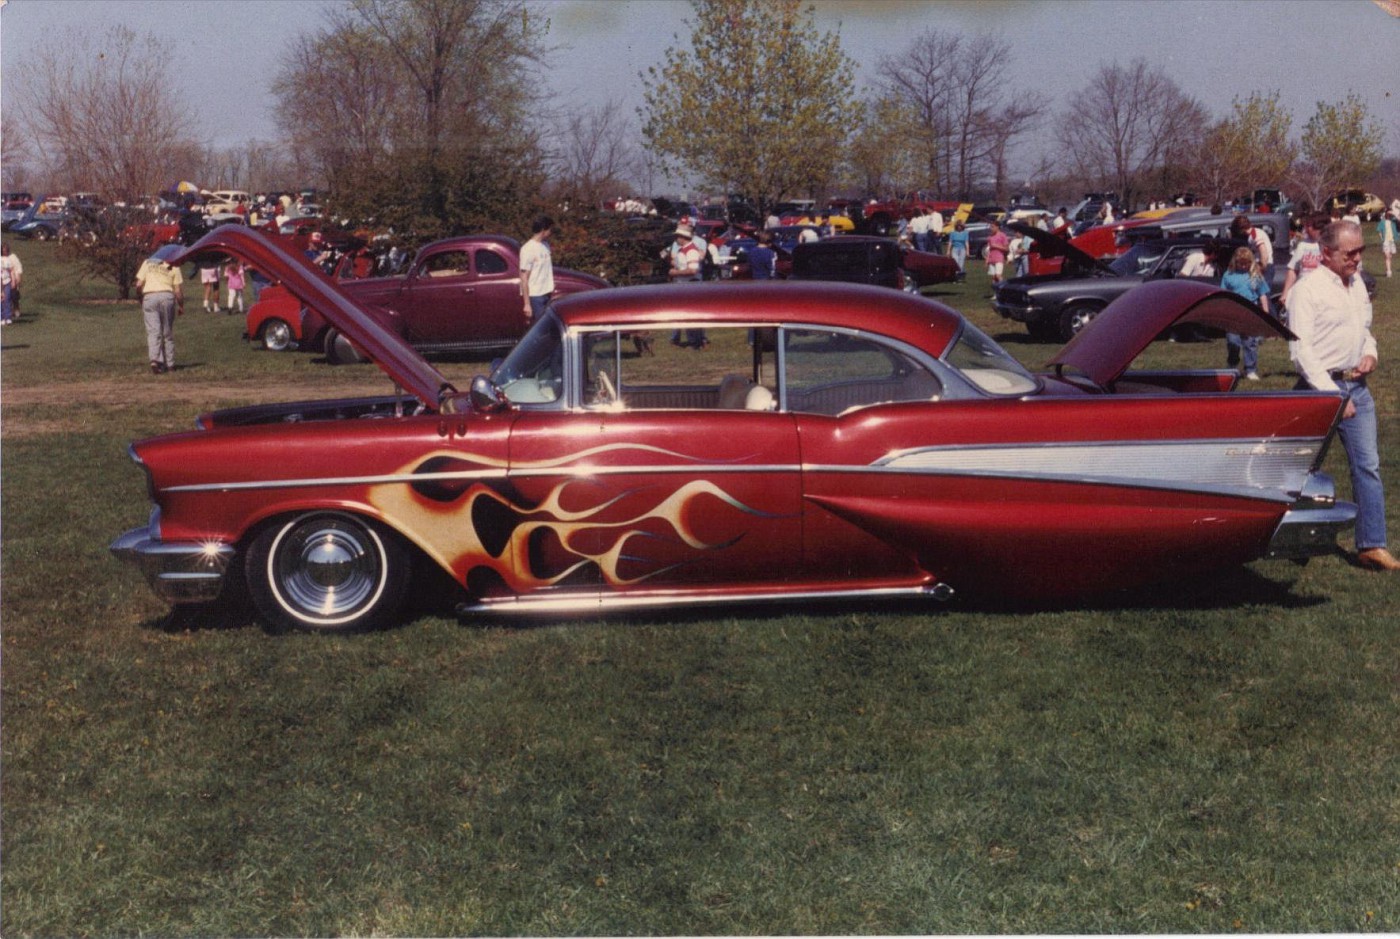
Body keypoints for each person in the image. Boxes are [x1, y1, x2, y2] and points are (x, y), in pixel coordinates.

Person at [1288, 220, 1397, 571]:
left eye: (1361, 251)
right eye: (1350, 253)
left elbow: (1365, 330)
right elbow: (1300, 352)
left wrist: (1370, 353)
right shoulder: (1308, 290)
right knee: (1302, 471)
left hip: (1358, 390)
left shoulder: (1358, 286)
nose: (1358, 258)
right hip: (1317, 391)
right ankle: (1294, 540)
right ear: (1326, 253)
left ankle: (1372, 545)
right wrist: (1334, 395)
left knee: (1368, 467)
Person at [1220, 246, 1270, 380]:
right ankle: (1232, 364)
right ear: (1235, 262)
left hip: (1250, 312)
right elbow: (1223, 294)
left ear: (1251, 262)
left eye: (1246, 264)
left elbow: (1263, 295)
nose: (1243, 266)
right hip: (1233, 313)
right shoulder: (1228, 275)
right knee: (1233, 341)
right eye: (1240, 263)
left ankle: (1250, 369)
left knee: (1250, 342)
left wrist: (1265, 312)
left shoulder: (1255, 275)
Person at [134, 247, 184, 374]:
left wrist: (140, 298)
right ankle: (171, 364)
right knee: (167, 332)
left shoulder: (147, 263)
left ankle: (155, 360)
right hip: (167, 296)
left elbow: (139, 284)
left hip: (150, 296)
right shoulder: (174, 265)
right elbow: (177, 291)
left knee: (153, 331)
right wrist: (181, 305)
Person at [664, 223, 707, 347]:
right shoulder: (683, 250)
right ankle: (694, 340)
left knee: (691, 313)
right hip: (684, 285)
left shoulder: (691, 251)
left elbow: (693, 270)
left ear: (683, 237)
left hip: (690, 285)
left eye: (678, 236)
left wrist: (675, 273)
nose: (676, 239)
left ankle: (696, 340)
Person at [1281, 214, 1325, 309]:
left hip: (1322, 293)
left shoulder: (1329, 245)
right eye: (1306, 226)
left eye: (1309, 226)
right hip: (1304, 292)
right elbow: (1293, 269)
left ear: (1319, 227)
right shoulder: (1303, 245)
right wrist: (1285, 293)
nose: (1307, 229)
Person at [519, 215, 554, 321]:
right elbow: (524, 278)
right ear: (543, 230)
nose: (551, 232)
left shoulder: (545, 245)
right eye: (550, 230)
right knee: (540, 328)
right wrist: (527, 304)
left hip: (547, 293)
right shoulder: (527, 249)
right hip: (536, 296)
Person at [1230, 214, 1274, 282]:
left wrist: (1260, 270)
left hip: (1265, 267)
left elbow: (1264, 255)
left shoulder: (1256, 235)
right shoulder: (1252, 235)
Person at [1, 241, 22, 326]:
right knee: (1, 300)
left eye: (6, 250)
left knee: (7, 298)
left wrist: (13, 280)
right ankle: (1, 318)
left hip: (7, 281)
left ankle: (8, 317)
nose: (4, 251)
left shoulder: (8, 259)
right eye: (3, 250)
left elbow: (12, 270)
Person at [985, 222, 1010, 287]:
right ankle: (996, 294)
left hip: (999, 258)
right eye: (990, 227)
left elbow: (1007, 249)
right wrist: (987, 260)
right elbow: (989, 249)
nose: (991, 228)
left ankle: (1004, 289)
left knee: (998, 276)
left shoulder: (1002, 235)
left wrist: (996, 246)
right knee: (994, 277)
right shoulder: (990, 237)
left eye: (992, 227)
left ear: (997, 227)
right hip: (991, 259)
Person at [1378, 209, 1397, 278]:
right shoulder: (1383, 222)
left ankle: (1388, 269)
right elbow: (1379, 230)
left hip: (1391, 241)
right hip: (1385, 241)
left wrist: (1394, 214)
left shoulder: (1393, 221)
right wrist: (1382, 238)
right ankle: (1389, 271)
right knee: (1387, 256)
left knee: (1390, 256)